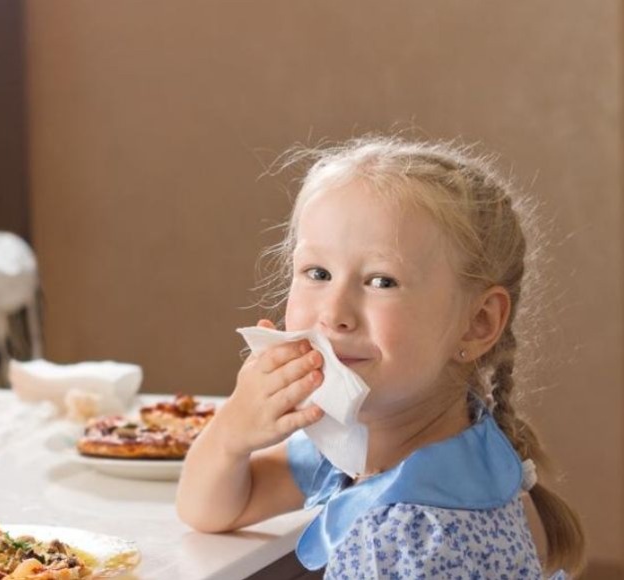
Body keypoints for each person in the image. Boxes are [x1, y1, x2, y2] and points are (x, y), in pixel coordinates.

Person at [176, 137, 585, 578]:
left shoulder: (414, 541)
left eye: (381, 281)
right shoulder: (373, 444)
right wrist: (233, 434)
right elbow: (209, 510)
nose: (334, 314)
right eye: (318, 273)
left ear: (478, 323)